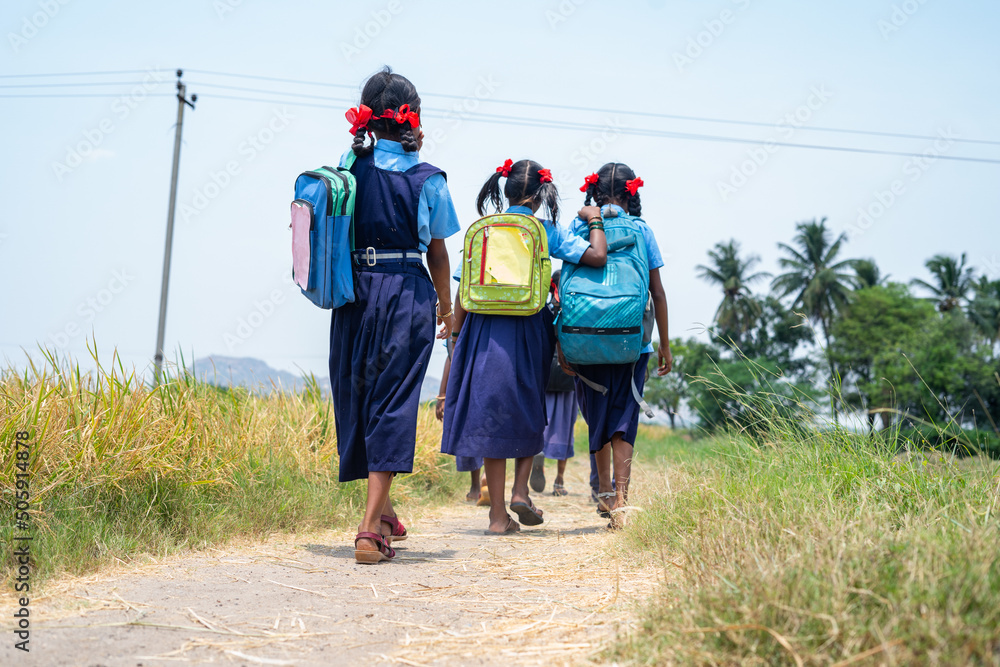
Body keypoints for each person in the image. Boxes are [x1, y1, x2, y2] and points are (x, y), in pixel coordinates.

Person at [331, 67, 459, 563]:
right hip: (406, 293)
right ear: (413, 119)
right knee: (394, 401)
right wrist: (446, 309)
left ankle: (383, 513)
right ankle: (368, 531)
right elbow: (439, 252)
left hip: (354, 294)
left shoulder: (348, 164)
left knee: (360, 398)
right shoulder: (428, 178)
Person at [442, 159, 607, 535]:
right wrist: (594, 220)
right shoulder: (545, 229)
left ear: (506, 190)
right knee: (529, 405)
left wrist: (456, 333)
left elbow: (464, 289)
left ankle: (497, 515)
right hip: (530, 327)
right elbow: (597, 257)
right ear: (538, 195)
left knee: (491, 413)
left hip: (483, 328)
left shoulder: (484, 229)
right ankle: (521, 490)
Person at [568, 163, 672, 529]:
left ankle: (604, 495)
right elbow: (656, 292)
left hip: (584, 337)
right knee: (624, 419)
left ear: (594, 195)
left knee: (596, 414)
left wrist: (562, 344)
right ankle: (623, 497)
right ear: (631, 194)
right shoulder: (642, 231)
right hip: (633, 341)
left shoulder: (579, 227)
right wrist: (664, 344)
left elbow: (564, 284)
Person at [529, 271, 578, 497]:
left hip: (546, 375)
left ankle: (538, 453)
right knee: (565, 428)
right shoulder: (574, 309)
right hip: (568, 375)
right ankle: (559, 481)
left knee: (543, 423)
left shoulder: (544, 310)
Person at [436, 334, 488, 506]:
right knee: (490, 428)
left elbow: (451, 357)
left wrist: (442, 395)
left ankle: (475, 488)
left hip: (465, 384)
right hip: (490, 373)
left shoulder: (459, 322)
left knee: (469, 432)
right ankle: (486, 478)